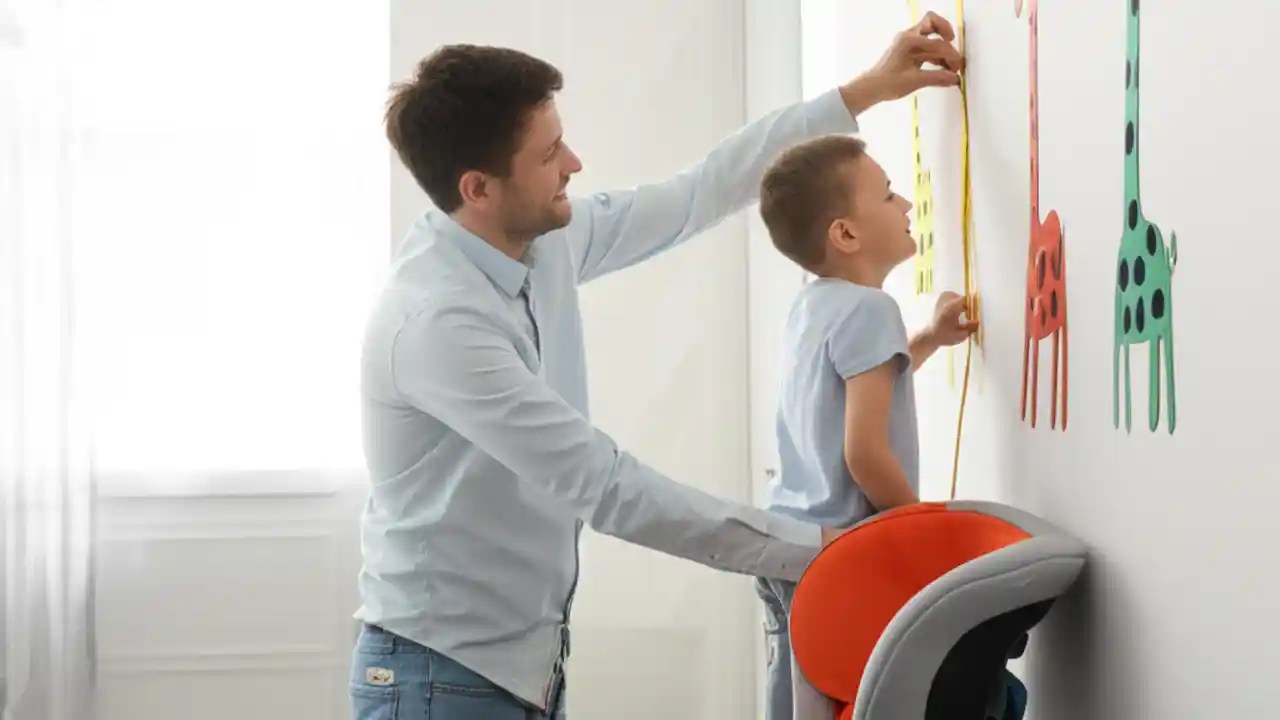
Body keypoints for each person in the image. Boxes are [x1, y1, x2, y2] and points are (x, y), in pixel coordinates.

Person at [350, 13, 964, 720]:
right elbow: (606, 486)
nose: (574, 164)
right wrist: (818, 548)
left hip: (520, 670)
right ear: (479, 187)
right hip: (440, 679)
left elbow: (698, 193)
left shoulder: (541, 240)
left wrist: (861, 93)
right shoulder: (436, 326)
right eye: (549, 154)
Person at [752, 134, 979, 718]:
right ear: (846, 234)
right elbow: (865, 454)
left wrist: (929, 338)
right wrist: (923, 535)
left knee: (797, 693)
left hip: (791, 543)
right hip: (839, 557)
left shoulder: (815, 305)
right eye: (886, 195)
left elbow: (858, 388)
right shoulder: (872, 309)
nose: (904, 205)